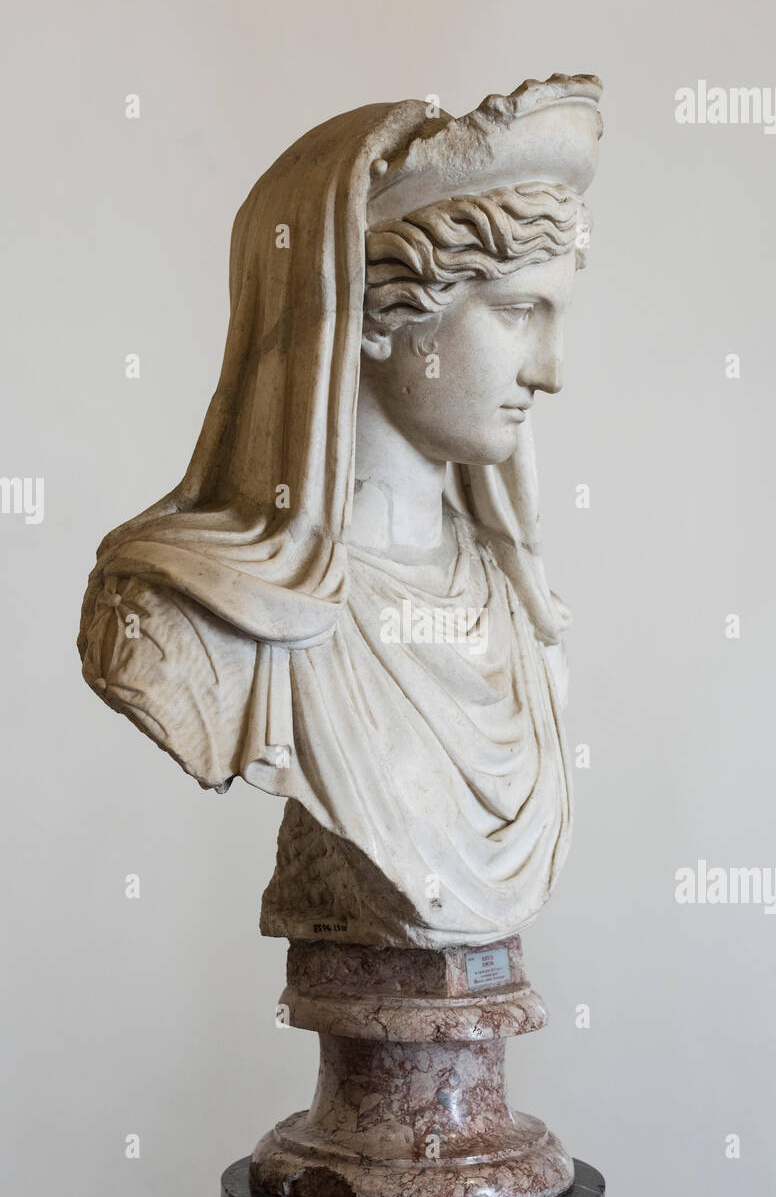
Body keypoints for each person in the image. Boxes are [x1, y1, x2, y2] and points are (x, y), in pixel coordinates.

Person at [78, 74, 603, 947]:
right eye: (517, 313)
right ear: (376, 310)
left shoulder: (517, 613)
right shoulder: (180, 615)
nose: (550, 372)